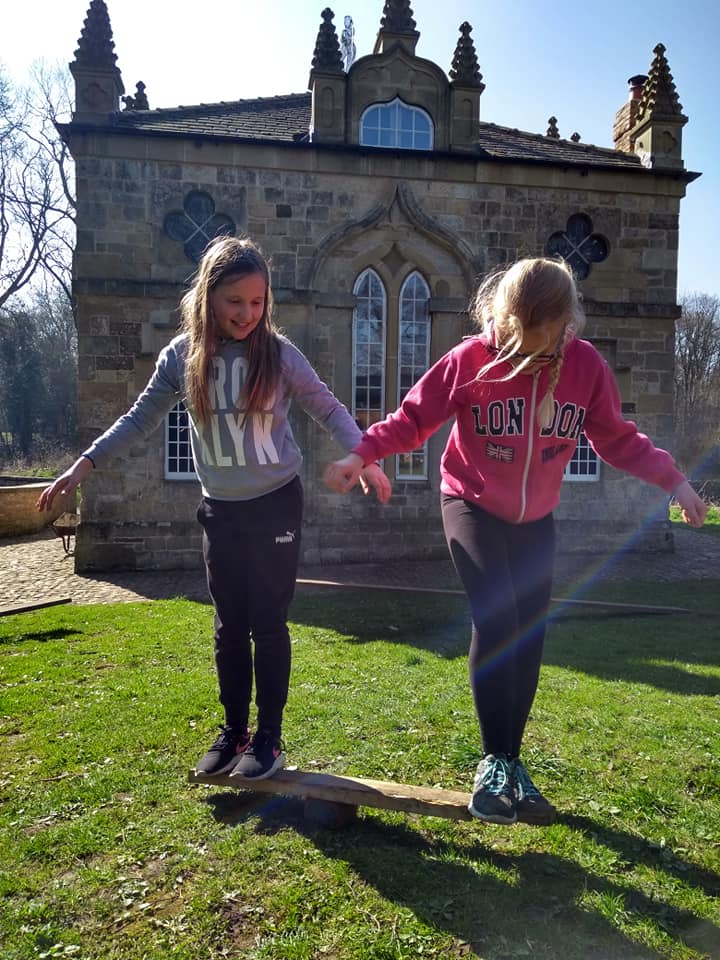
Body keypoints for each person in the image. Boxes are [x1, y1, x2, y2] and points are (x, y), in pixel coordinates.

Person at [324, 257, 707, 825]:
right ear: (502, 318)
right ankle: (493, 762)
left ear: (565, 325)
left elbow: (618, 440)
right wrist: (362, 454)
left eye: (541, 345)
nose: (526, 355)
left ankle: (513, 763)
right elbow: (414, 417)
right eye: (516, 340)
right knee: (497, 617)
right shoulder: (471, 360)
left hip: (536, 521)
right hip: (470, 503)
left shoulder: (585, 367)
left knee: (529, 634)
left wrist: (675, 479)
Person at [38, 236, 390, 781]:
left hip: (275, 505)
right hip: (220, 511)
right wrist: (82, 464)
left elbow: (327, 406)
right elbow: (139, 418)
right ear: (208, 297)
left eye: (257, 302)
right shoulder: (181, 357)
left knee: (268, 624)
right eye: (235, 302)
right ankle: (234, 731)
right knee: (229, 626)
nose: (247, 314)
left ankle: (268, 738)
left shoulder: (280, 355)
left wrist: (364, 455)